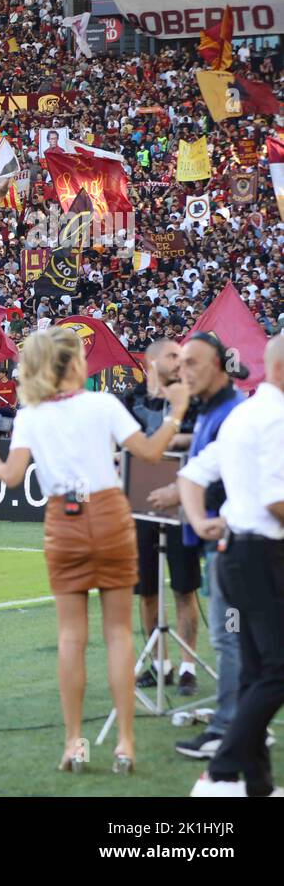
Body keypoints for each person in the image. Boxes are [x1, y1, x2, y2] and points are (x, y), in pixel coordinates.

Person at [0, 326, 190, 775]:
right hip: (110, 513)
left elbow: (11, 476)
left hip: (64, 520)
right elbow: (150, 453)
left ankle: (74, 743)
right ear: (74, 364)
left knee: (72, 637)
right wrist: (177, 413)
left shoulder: (32, 414)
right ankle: (125, 744)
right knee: (117, 634)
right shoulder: (104, 404)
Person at [179, 333, 284, 797]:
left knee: (257, 672)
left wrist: (203, 521)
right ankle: (220, 774)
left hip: (235, 556)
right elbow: (277, 499)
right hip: (262, 555)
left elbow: (191, 474)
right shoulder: (275, 417)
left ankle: (257, 785)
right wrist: (204, 521)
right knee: (275, 671)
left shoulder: (244, 414)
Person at [145, 333, 249, 756]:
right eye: (180, 363)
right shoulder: (212, 410)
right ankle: (241, 723)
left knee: (233, 634)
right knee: (234, 635)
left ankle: (233, 728)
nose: (182, 370)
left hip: (240, 547)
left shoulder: (235, 413)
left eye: (192, 363)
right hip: (221, 543)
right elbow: (200, 465)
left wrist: (207, 512)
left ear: (220, 366)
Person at [120, 339, 202, 695]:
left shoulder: (193, 399)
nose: (179, 361)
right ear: (152, 362)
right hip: (140, 504)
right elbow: (121, 447)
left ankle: (187, 666)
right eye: (172, 355)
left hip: (182, 503)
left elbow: (200, 441)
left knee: (185, 587)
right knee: (147, 591)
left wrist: (162, 443)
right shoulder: (130, 401)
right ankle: (159, 663)